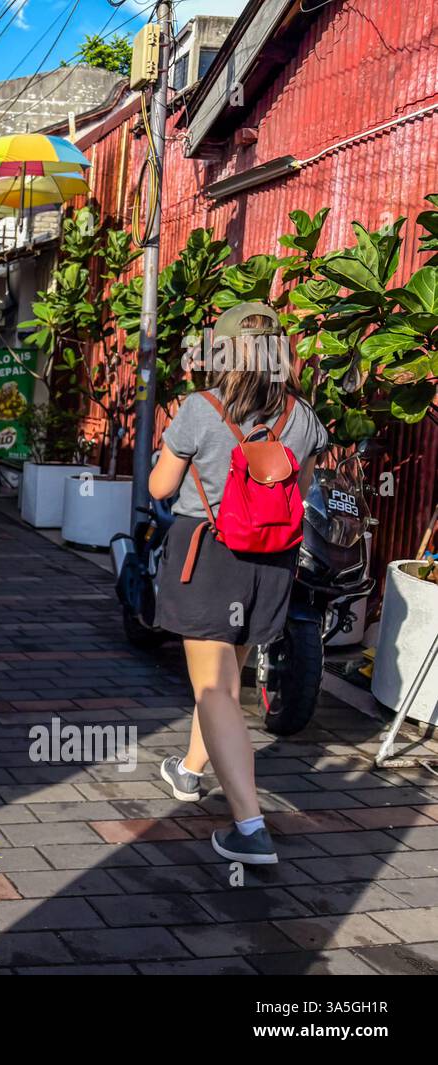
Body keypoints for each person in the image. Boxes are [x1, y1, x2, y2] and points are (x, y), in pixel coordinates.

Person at [148, 302, 328, 865]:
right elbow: (301, 486)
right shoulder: (303, 417)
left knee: (214, 689)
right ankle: (189, 771)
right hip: (271, 562)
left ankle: (250, 827)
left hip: (209, 558)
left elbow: (159, 487)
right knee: (228, 678)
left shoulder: (200, 410)